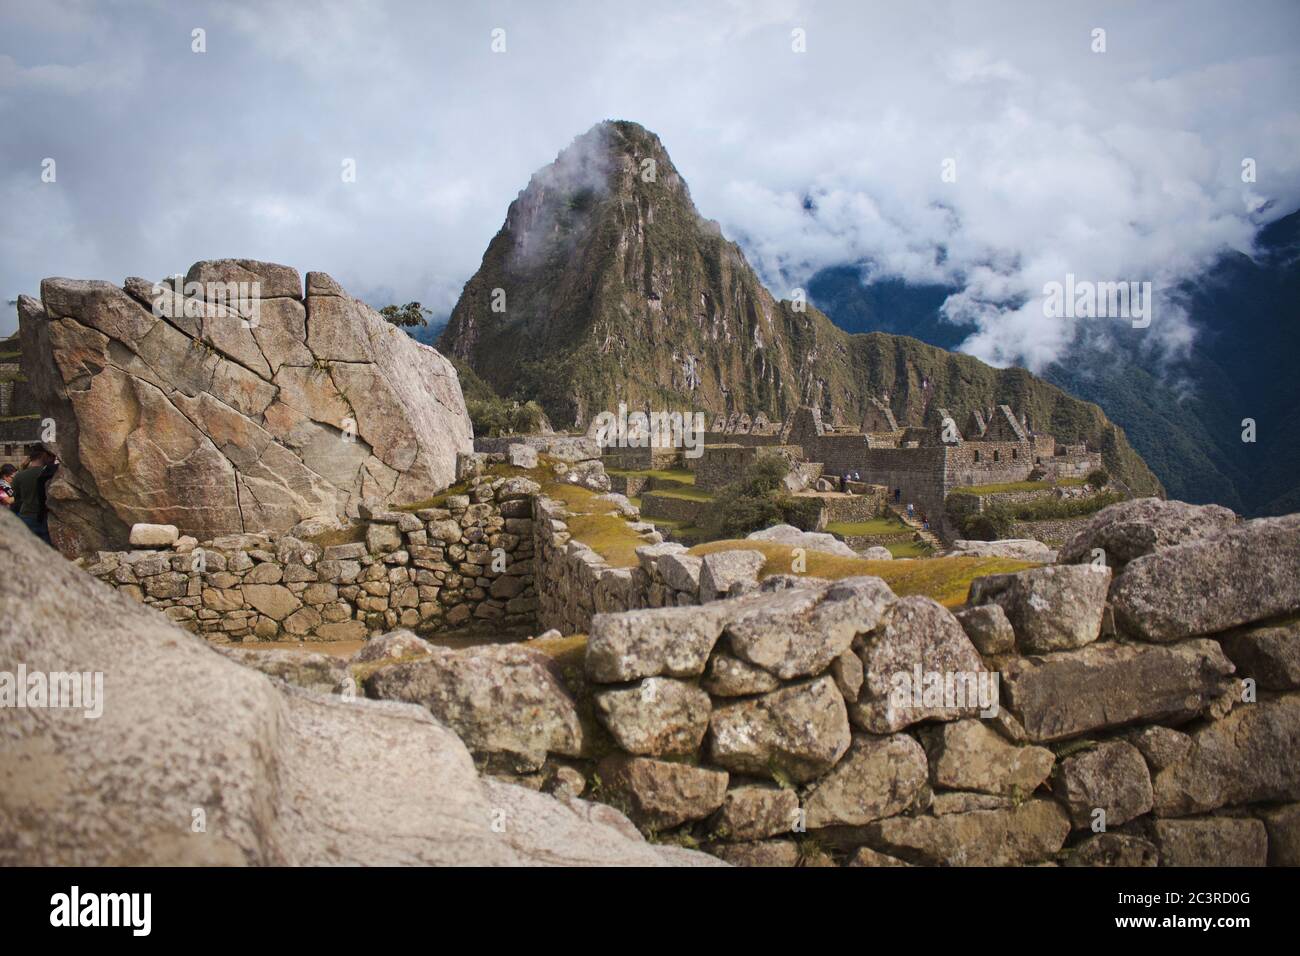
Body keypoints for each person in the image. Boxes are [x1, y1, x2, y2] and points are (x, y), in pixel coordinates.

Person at [11, 444, 59, 546]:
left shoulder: (19, 476)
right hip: (47, 518)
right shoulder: (52, 473)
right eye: (51, 455)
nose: (53, 458)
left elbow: (16, 497)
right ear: (44, 455)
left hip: (26, 516)